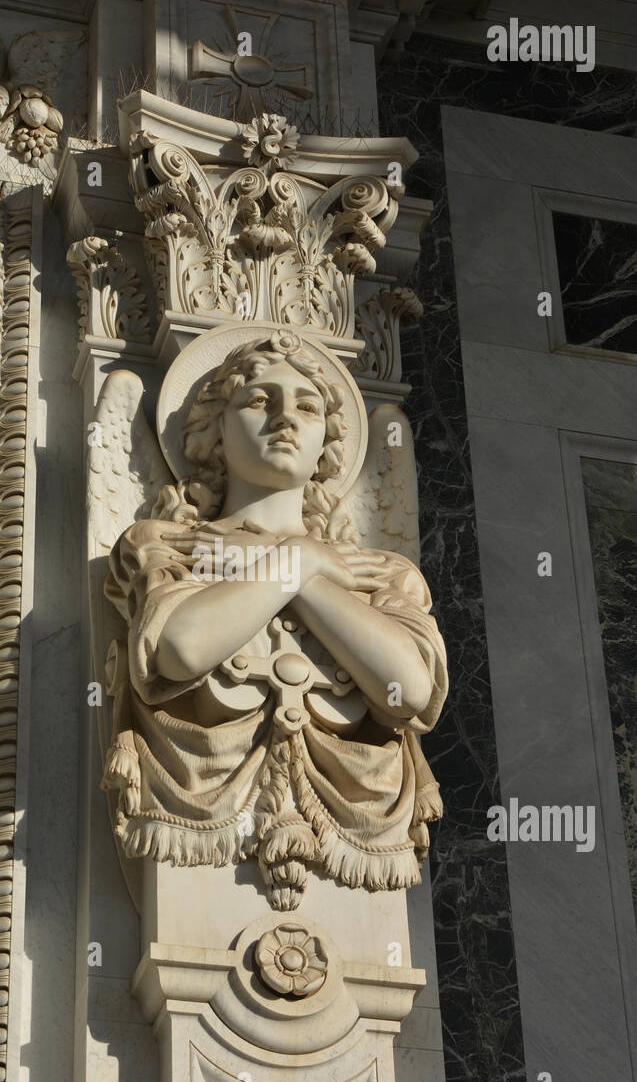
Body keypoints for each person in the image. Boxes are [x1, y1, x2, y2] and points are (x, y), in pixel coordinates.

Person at [103, 332, 448, 909]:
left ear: (325, 448)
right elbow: (180, 649)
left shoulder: (381, 570)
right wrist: (304, 562)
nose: (286, 418)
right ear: (214, 430)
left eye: (307, 406)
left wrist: (297, 571)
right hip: (197, 809)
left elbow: (409, 688)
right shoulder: (171, 544)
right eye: (259, 400)